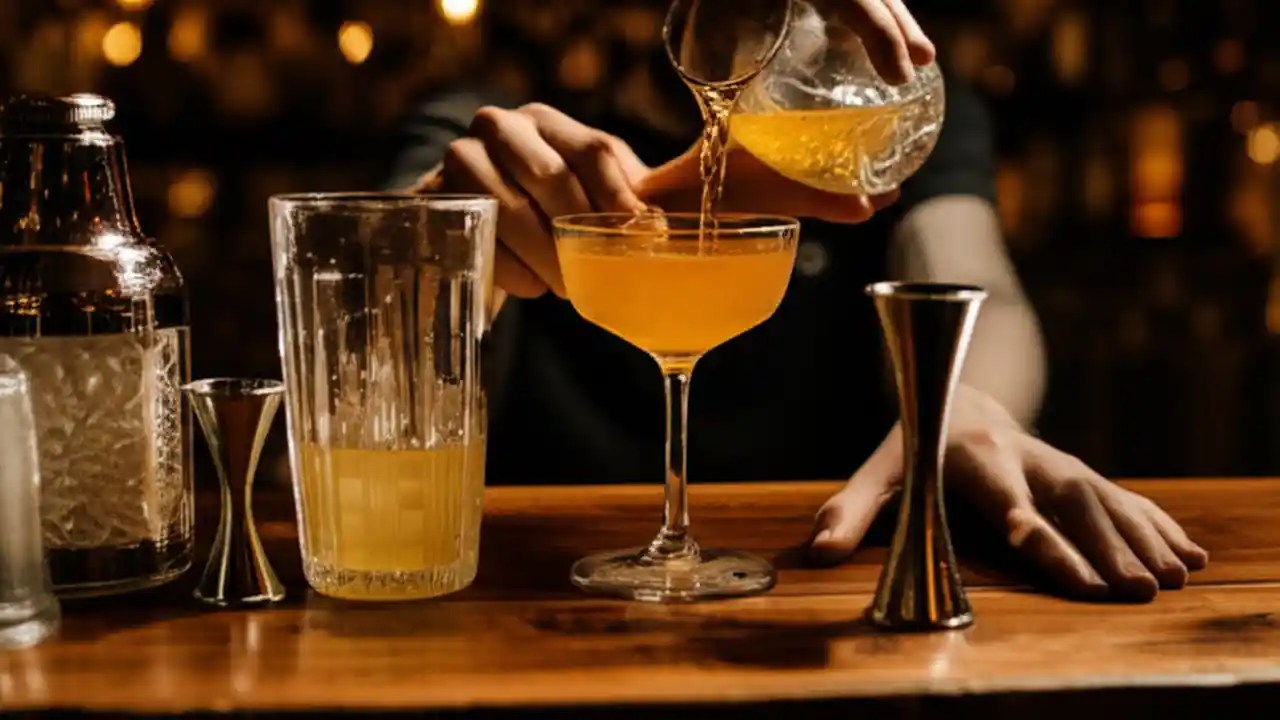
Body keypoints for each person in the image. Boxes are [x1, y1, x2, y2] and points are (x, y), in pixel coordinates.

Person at [385, 0, 1207, 602]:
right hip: (528, 607)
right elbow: (362, 320)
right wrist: (436, 255)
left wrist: (960, 404)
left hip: (818, 593)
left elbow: (972, 279)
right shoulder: (486, 121)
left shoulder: (860, 121)